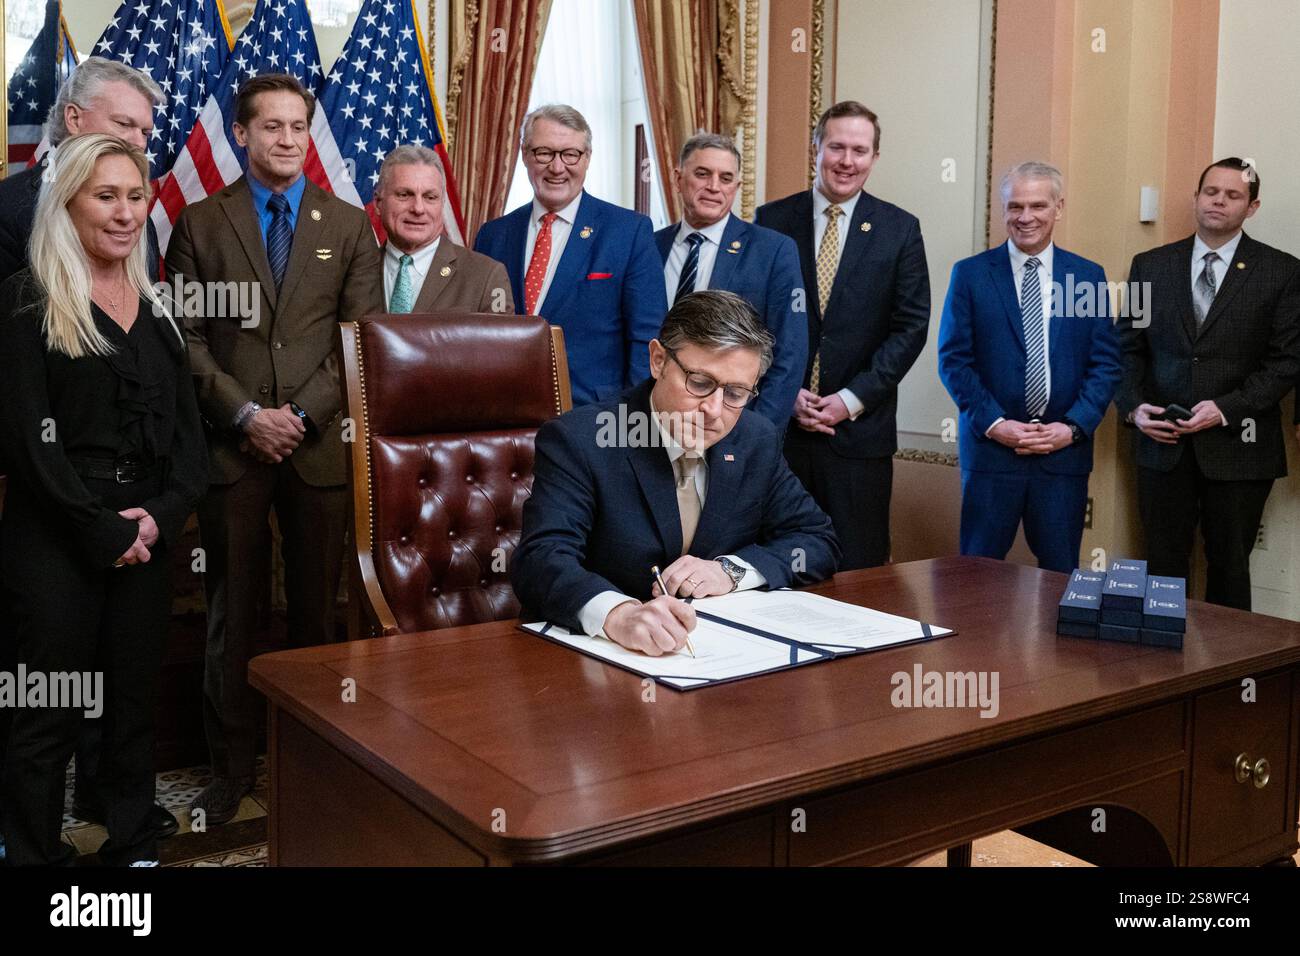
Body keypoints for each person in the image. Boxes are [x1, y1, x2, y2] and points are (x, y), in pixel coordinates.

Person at [165, 74, 383, 824]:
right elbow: (185, 339)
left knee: (317, 616)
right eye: (272, 127)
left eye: (298, 126)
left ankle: (313, 760)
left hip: (318, 448)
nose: (286, 139)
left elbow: (359, 337)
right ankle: (230, 770)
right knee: (234, 613)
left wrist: (296, 415)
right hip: (233, 450)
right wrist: (246, 415)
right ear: (241, 134)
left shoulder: (351, 226)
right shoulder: (198, 221)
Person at [0, 134, 207, 865]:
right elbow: (28, 442)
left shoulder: (156, 307)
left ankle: (132, 839)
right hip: (56, 535)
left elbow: (189, 439)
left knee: (129, 706)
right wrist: (100, 530)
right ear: (68, 202)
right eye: (105, 195)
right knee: (46, 709)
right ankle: (29, 853)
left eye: (134, 195)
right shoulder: (27, 301)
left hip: (146, 535)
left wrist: (164, 514)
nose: (124, 213)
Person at [512, 290, 839, 655]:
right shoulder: (584, 438)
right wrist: (617, 614)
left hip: (717, 659)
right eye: (699, 383)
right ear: (658, 360)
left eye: (735, 393)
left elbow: (816, 539)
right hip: (591, 659)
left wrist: (730, 572)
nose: (714, 410)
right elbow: (540, 560)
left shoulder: (754, 439)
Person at [1117, 158, 1300, 610]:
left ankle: (1228, 676)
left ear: (1252, 207)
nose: (1219, 201)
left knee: (1230, 566)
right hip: (1163, 445)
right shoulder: (1151, 266)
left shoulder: (1282, 272)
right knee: (1162, 567)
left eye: (1233, 195)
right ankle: (1162, 671)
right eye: (1211, 192)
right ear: (1195, 198)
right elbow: (1125, 349)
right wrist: (1134, 408)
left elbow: (1285, 361)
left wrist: (1225, 408)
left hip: (1240, 446)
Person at [756, 101, 930, 571]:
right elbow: (751, 321)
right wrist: (785, 390)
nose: (847, 161)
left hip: (859, 437)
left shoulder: (899, 229)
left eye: (860, 150)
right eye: (836, 147)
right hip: (780, 430)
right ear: (815, 148)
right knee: (776, 565)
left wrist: (851, 399)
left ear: (874, 157)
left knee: (859, 570)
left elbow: (910, 328)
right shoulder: (771, 221)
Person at [938, 162, 1122, 572]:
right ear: (1002, 209)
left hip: (1062, 457)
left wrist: (1072, 427)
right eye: (1015, 206)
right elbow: (954, 361)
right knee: (977, 575)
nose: (1025, 217)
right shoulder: (970, 275)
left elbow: (1105, 363)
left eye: (1038, 205)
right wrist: (995, 424)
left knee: (1060, 574)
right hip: (991, 453)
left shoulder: (1087, 277)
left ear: (1059, 207)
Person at [474, 104, 666, 404]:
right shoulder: (493, 235)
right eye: (544, 153)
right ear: (525, 155)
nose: (557, 167)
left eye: (570, 154)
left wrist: (630, 423)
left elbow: (647, 340)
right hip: (503, 413)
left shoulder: (629, 232)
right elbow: (476, 335)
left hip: (592, 418)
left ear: (587, 158)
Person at [654, 132, 805, 426]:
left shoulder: (773, 250)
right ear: (678, 178)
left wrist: (756, 432)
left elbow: (790, 354)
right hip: (653, 420)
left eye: (725, 178)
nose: (713, 187)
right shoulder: (650, 245)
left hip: (731, 422)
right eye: (702, 174)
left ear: (736, 187)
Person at [0, 56, 163, 284]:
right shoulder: (7, 206)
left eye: (145, 132)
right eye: (124, 124)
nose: (139, 143)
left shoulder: (135, 216)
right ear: (74, 118)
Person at [373, 145, 513, 314]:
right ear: (378, 203)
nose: (418, 208)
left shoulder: (487, 276)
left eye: (430, 197)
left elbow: (500, 340)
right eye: (404, 195)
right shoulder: (356, 270)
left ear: (442, 204)